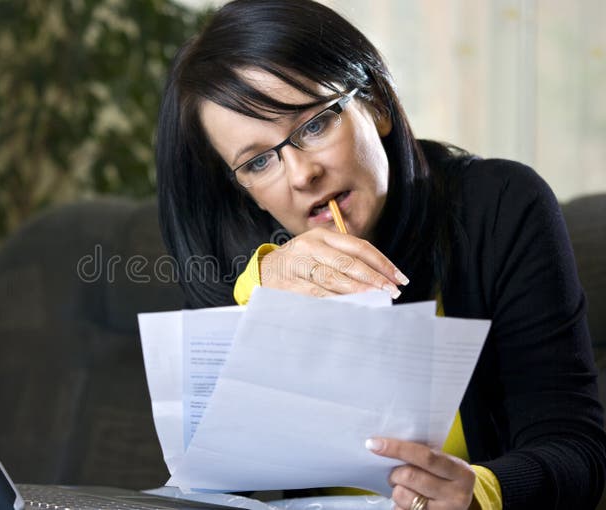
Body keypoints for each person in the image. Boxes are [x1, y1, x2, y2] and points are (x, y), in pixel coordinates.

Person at [154, 0, 606, 508]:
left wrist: (480, 493)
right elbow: (204, 482)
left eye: (314, 125)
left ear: (375, 104)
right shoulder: (239, 264)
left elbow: (577, 451)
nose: (301, 175)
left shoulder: (500, 206)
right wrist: (259, 304)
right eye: (259, 161)